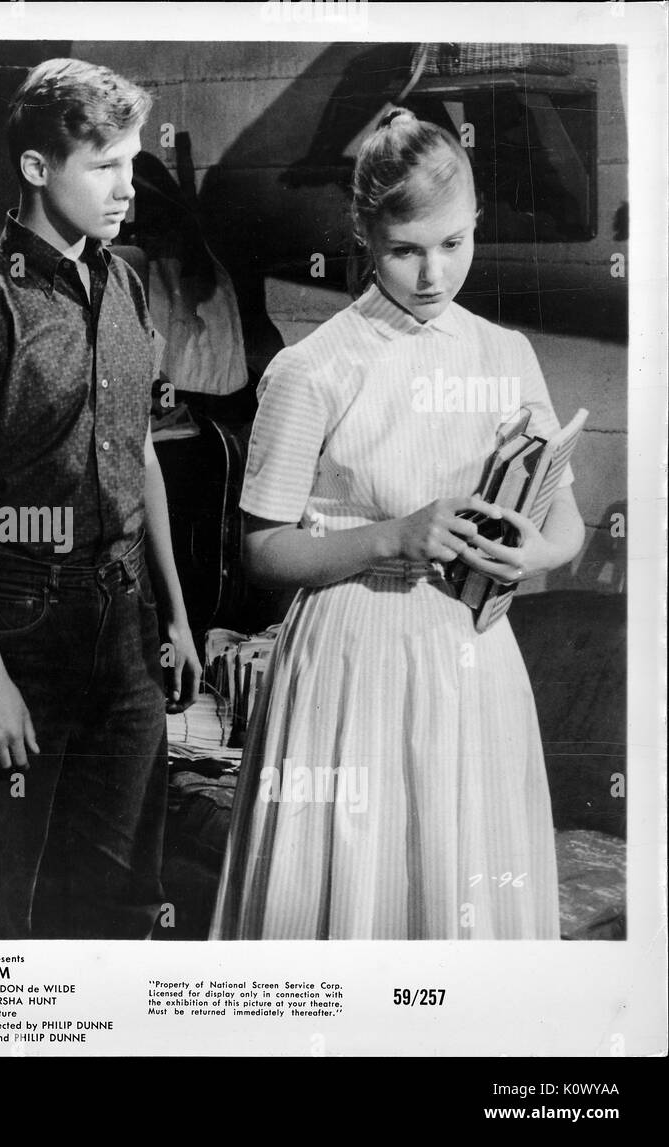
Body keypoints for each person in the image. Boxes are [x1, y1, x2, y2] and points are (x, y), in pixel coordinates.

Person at [210, 108, 584, 941]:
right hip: (353, 653)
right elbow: (261, 550)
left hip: (475, 655)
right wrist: (392, 535)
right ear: (363, 233)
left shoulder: (505, 354)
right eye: (405, 249)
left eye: (453, 244)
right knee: (352, 894)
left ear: (476, 222)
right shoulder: (313, 368)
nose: (431, 274)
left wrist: (527, 556)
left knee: (461, 887)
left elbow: (567, 525)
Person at [0, 58, 201, 940]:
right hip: (23, 616)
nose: (128, 188)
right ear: (38, 169)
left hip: (127, 616)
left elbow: (139, 453)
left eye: (133, 161)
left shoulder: (127, 282)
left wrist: (176, 616)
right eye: (104, 165)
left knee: (118, 892)